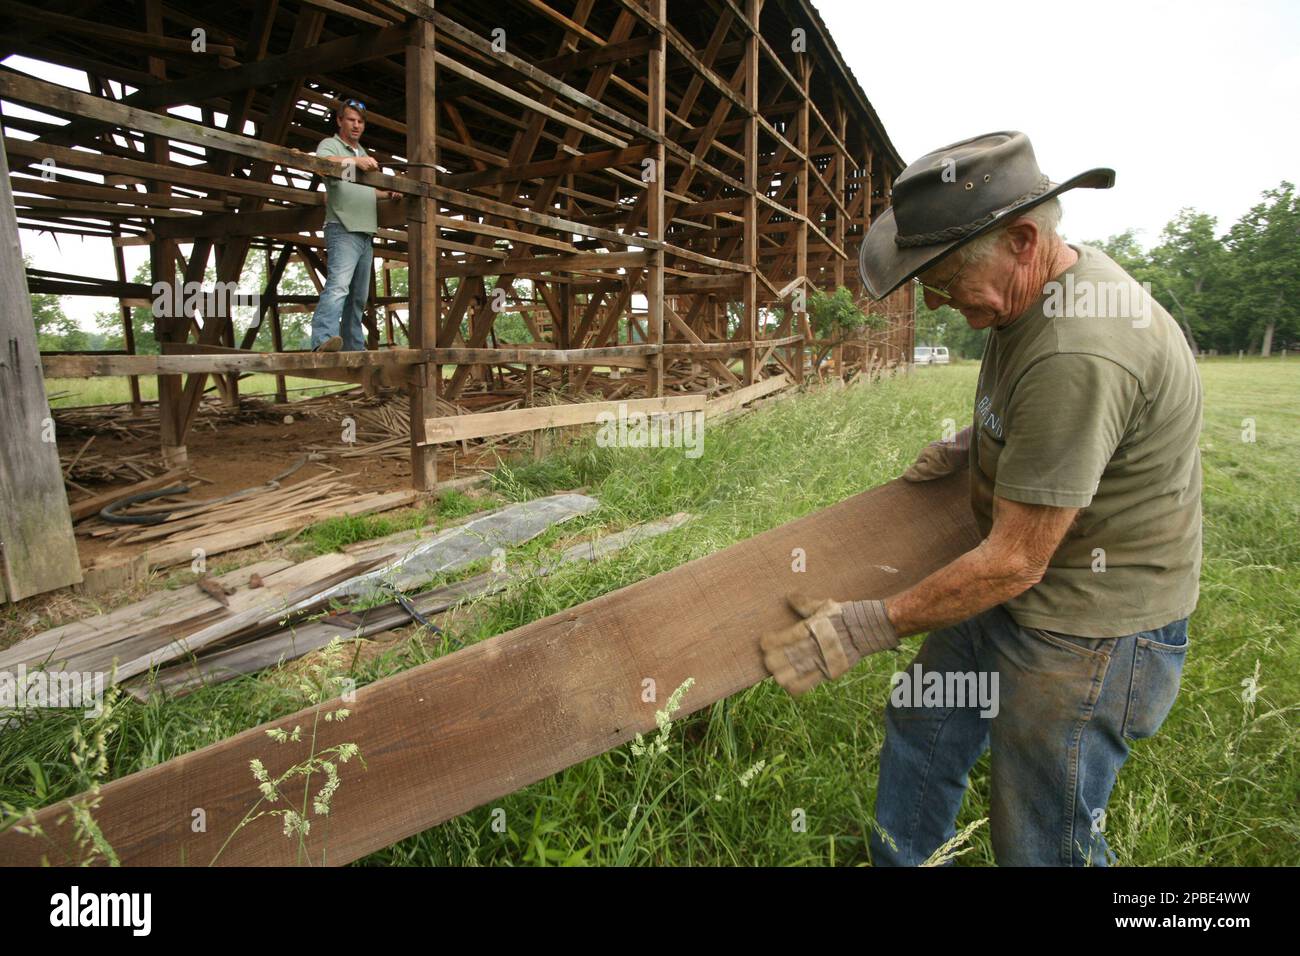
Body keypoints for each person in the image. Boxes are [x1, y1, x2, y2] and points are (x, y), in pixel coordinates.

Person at [761, 131, 1203, 866]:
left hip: (1083, 626)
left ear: (1023, 239)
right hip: (1011, 583)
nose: (932, 299)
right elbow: (1053, 419)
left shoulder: (1081, 346)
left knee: (1041, 836)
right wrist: (973, 443)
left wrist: (866, 626)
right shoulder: (1032, 294)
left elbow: (1014, 562)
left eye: (941, 277)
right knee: (923, 725)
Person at [309, 98, 393, 352]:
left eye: (359, 121)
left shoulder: (362, 153)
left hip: (365, 230)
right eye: (350, 120)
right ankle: (322, 339)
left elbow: (361, 188)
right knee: (338, 287)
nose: (356, 125)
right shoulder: (331, 145)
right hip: (343, 227)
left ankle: (353, 346)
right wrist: (355, 163)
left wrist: (388, 193)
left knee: (357, 297)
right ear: (339, 121)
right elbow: (320, 164)